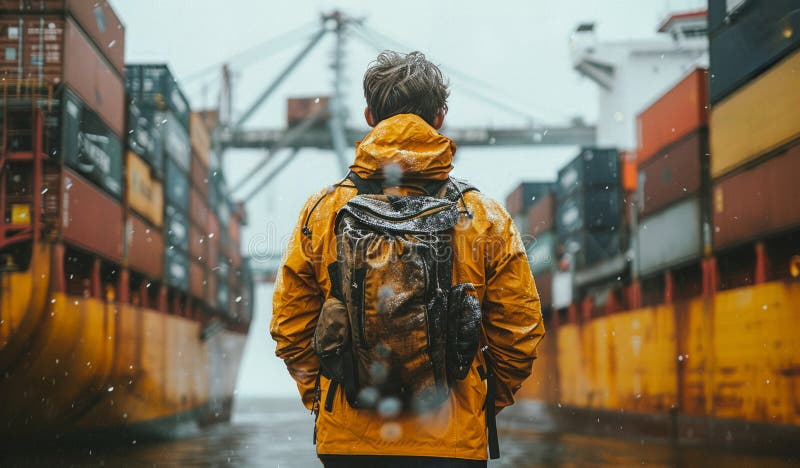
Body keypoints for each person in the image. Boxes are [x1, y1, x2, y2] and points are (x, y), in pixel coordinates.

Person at [271, 50, 545, 467]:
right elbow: (519, 334)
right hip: (451, 444)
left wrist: (328, 396)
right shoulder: (484, 216)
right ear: (440, 117)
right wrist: (474, 401)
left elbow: (290, 328)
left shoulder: (322, 211)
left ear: (368, 115)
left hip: (348, 444)